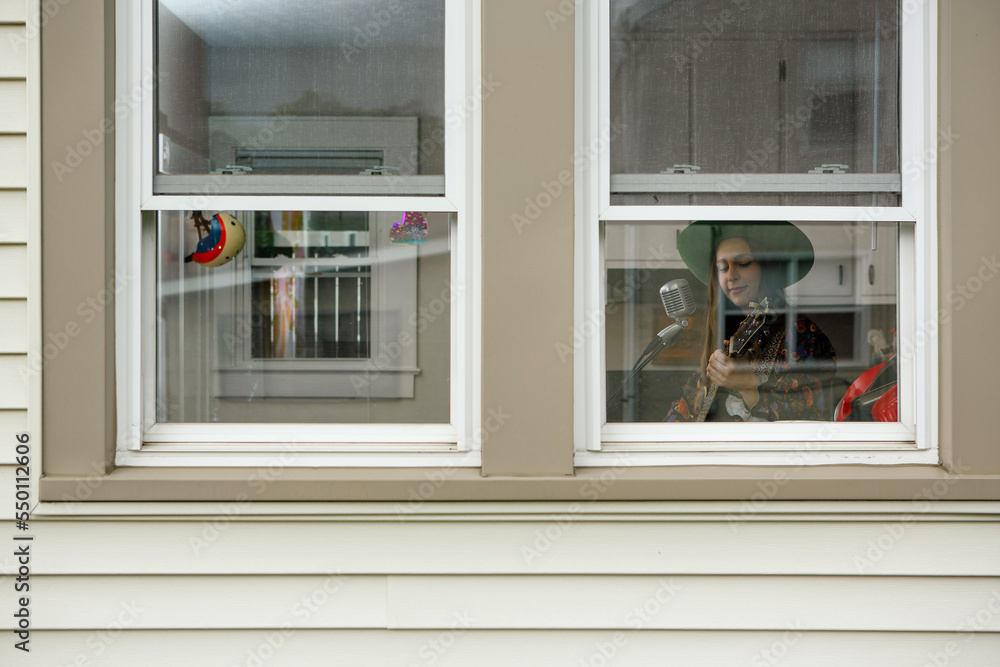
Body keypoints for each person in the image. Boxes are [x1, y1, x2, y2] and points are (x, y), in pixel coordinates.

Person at [664, 221, 836, 422]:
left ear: (767, 267)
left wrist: (748, 384)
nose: (731, 276)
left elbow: (809, 416)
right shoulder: (725, 341)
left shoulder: (803, 334)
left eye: (743, 263)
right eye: (722, 267)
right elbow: (680, 413)